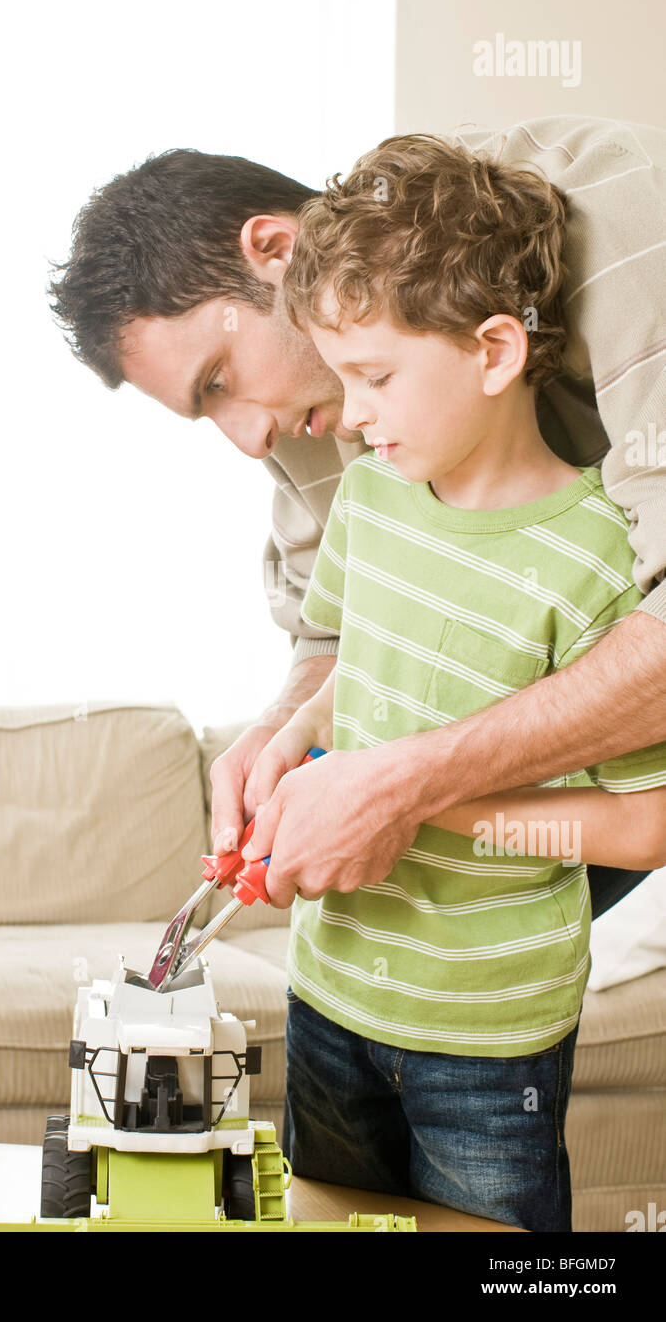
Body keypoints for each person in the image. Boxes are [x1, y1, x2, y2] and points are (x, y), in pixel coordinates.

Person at [49, 116, 666, 923]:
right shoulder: (300, 411)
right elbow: (330, 629)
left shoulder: (611, 219)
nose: (247, 438)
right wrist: (285, 728)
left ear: (274, 251)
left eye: (219, 382)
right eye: (203, 414)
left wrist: (404, 780)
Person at [236, 134, 666, 1230]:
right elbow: (349, 666)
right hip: (327, 997)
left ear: (494, 350)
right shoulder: (371, 503)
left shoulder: (598, 556)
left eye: (375, 376)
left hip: (490, 1039)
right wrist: (293, 742)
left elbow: (644, 828)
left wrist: (432, 801)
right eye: (340, 379)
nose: (355, 414)